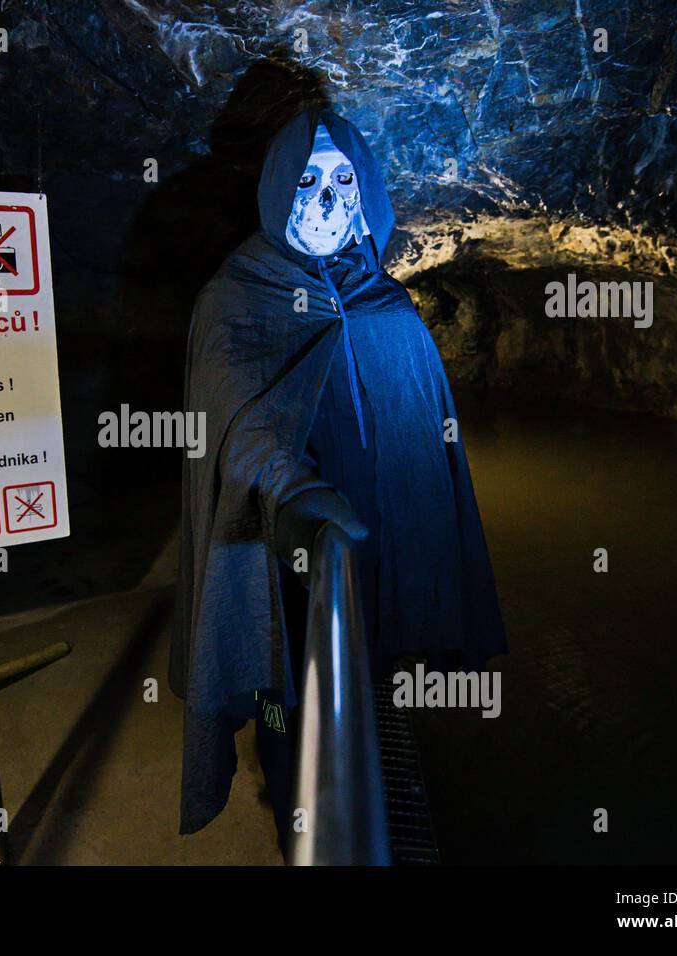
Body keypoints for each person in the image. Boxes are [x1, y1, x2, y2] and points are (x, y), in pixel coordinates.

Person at [172, 107, 507, 855]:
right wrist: (294, 490)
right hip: (279, 552)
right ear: (277, 189)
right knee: (283, 693)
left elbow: (419, 426)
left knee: (365, 673)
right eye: (309, 180)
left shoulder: (383, 301)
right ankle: (294, 795)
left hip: (371, 556)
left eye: (344, 179)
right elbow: (235, 422)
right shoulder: (236, 298)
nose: (327, 199)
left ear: (368, 194)